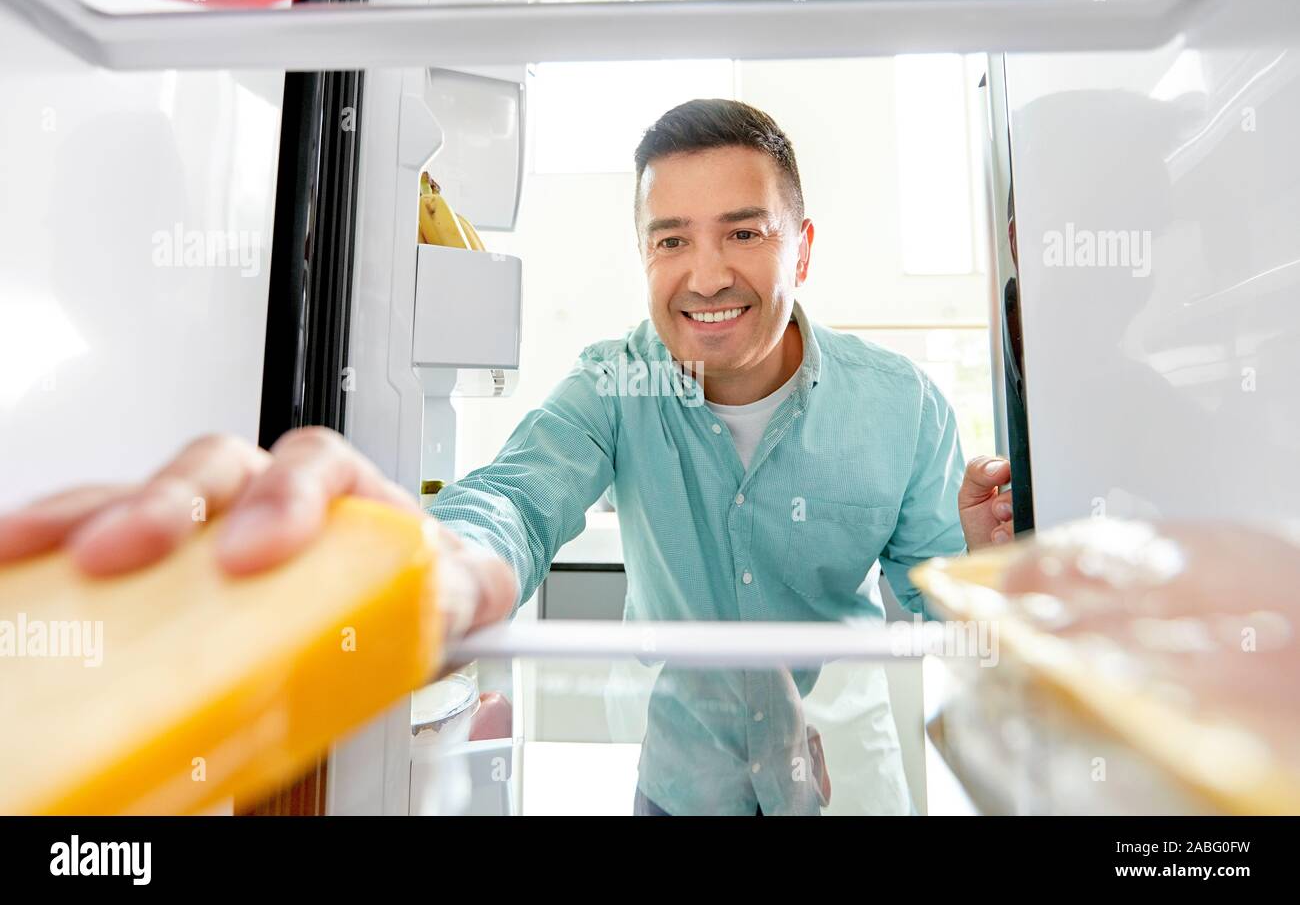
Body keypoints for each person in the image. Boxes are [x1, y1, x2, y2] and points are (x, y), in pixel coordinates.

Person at [0, 99, 1013, 815]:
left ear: (799, 247)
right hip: (680, 779)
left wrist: (976, 572)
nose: (705, 273)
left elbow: (938, 615)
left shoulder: (902, 404)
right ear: (645, 257)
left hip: (848, 785)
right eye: (669, 241)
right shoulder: (616, 384)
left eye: (742, 232)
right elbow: (516, 503)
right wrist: (422, 558)